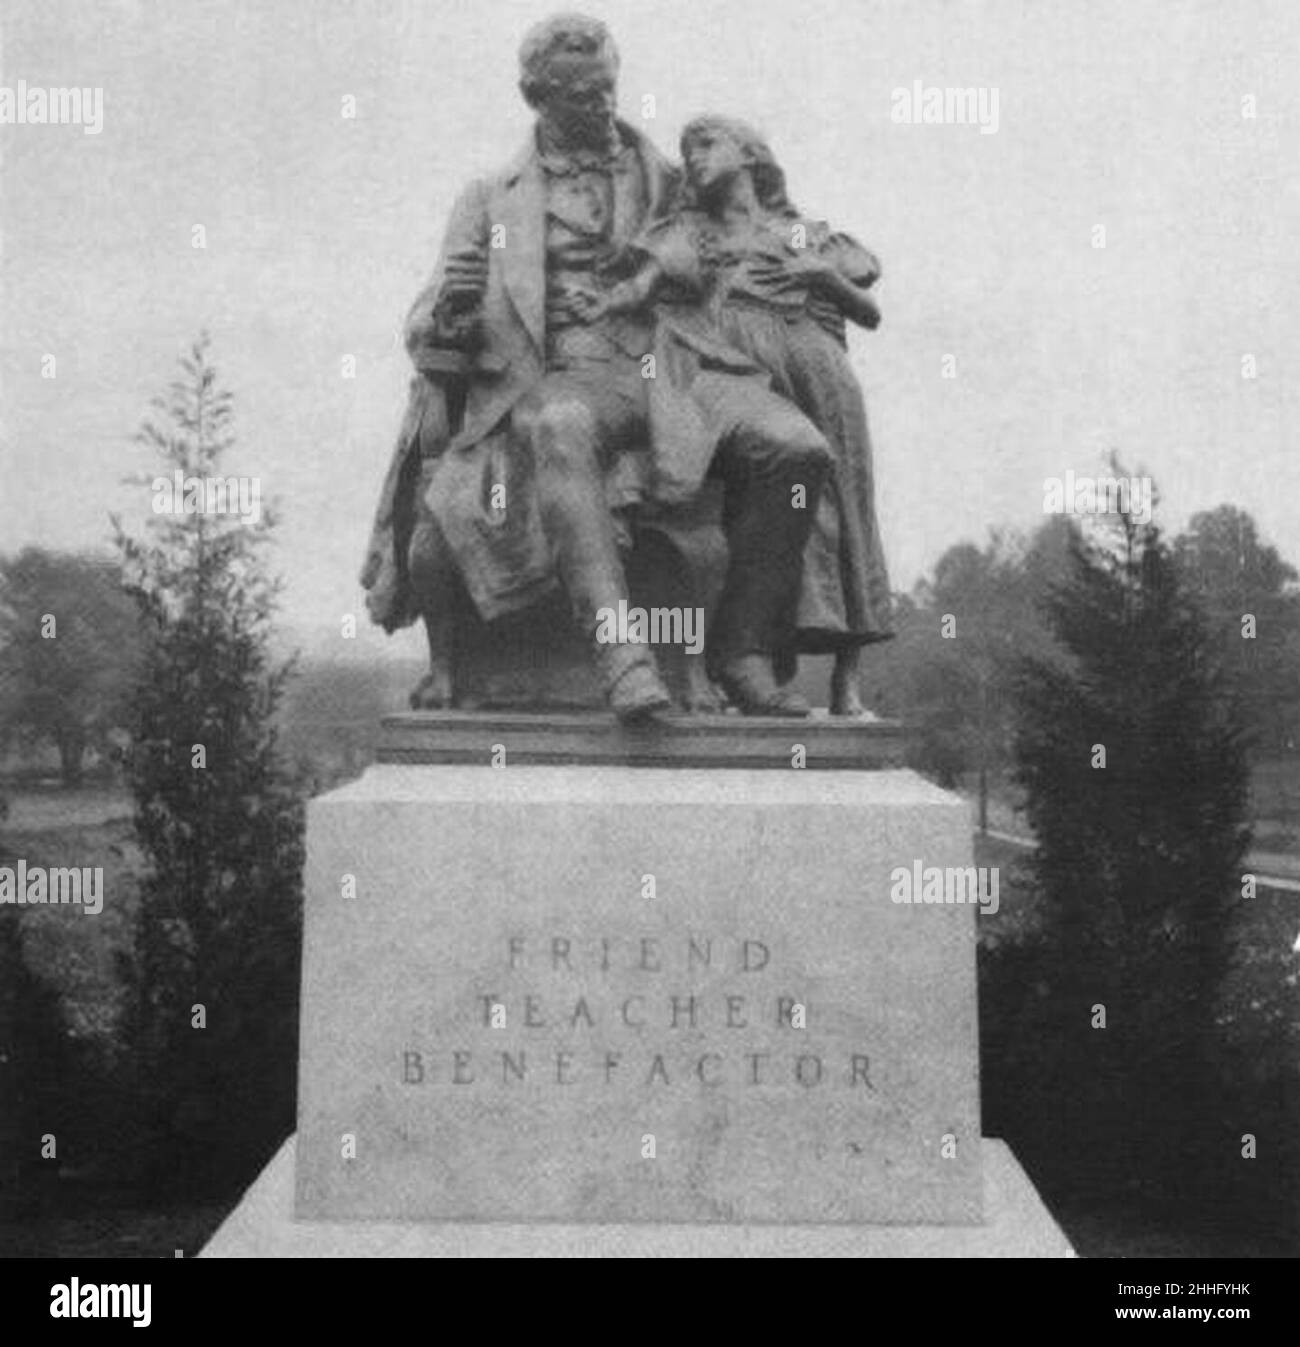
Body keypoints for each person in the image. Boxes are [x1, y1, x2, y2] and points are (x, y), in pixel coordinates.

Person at [362, 16, 832, 720]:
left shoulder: (671, 182)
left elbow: (754, 233)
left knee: (797, 448)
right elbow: (427, 317)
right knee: (560, 424)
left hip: (682, 369)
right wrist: (451, 318)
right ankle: (621, 654)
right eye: (582, 96)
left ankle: (741, 651)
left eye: (609, 89)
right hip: (568, 375)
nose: (603, 107)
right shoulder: (489, 199)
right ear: (537, 99)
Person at [585, 114, 894, 714]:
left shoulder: (797, 233)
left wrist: (821, 274)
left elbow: (869, 311)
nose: (692, 157)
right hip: (731, 372)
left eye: (706, 143)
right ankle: (738, 654)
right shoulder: (692, 233)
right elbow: (645, 283)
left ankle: (841, 674)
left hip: (817, 375)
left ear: (750, 153)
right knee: (785, 483)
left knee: (841, 516)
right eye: (685, 148)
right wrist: (607, 300)